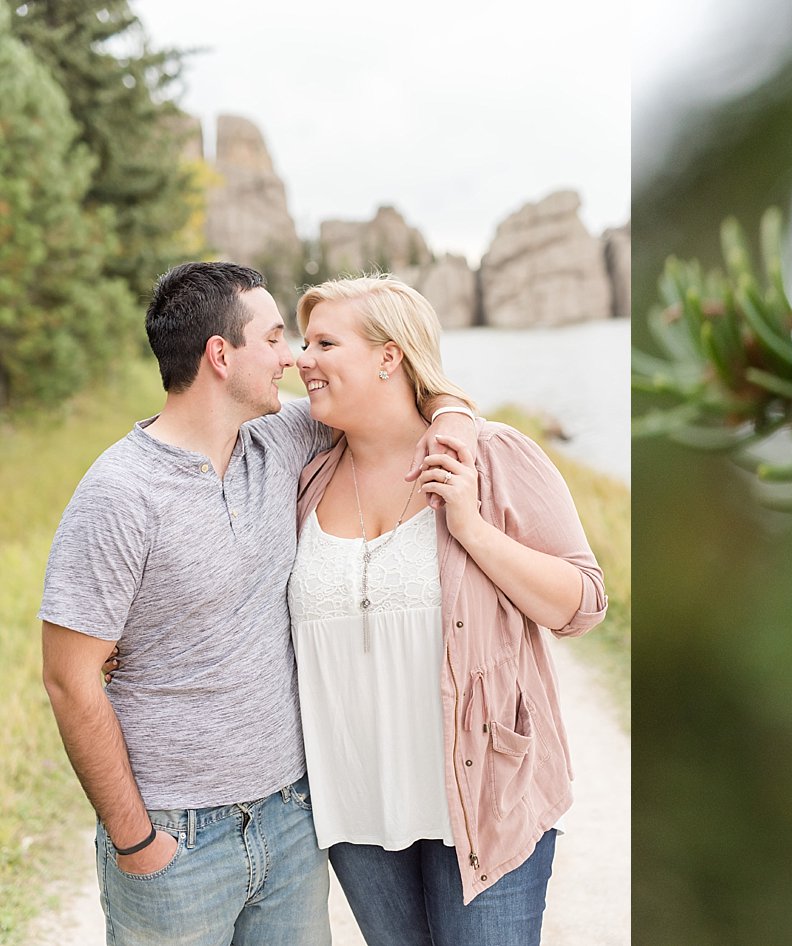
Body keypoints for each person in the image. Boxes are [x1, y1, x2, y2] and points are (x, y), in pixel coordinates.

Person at [39, 261, 477, 945]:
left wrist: (454, 415)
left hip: (291, 822)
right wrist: (137, 841)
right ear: (221, 355)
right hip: (177, 842)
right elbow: (69, 681)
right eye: (275, 340)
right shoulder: (119, 494)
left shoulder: (279, 439)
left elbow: (393, 403)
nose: (295, 359)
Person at [289, 274, 606, 945]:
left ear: (388, 356)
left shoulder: (489, 457)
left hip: (486, 798)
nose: (301, 357)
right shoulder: (305, 471)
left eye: (324, 342)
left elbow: (583, 603)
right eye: (300, 341)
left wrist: (472, 528)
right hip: (359, 812)